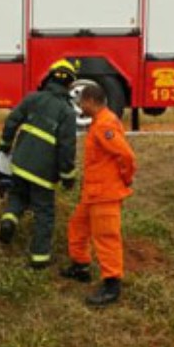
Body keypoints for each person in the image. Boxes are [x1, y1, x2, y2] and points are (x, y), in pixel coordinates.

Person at [59, 83, 137, 306]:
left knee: (106, 238)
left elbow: (127, 156)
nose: (80, 106)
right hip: (93, 193)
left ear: (91, 101)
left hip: (105, 194)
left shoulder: (105, 124)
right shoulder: (99, 123)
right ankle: (80, 266)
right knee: (77, 226)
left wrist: (125, 178)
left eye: (82, 101)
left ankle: (112, 285)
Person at [0, 59, 79, 268]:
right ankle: (39, 258)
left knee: (17, 195)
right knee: (44, 212)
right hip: (43, 172)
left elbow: (11, 121)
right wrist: (68, 176)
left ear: (49, 77)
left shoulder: (33, 98)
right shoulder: (67, 112)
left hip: (20, 162)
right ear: (70, 85)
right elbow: (67, 147)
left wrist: (5, 145)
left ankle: (9, 221)